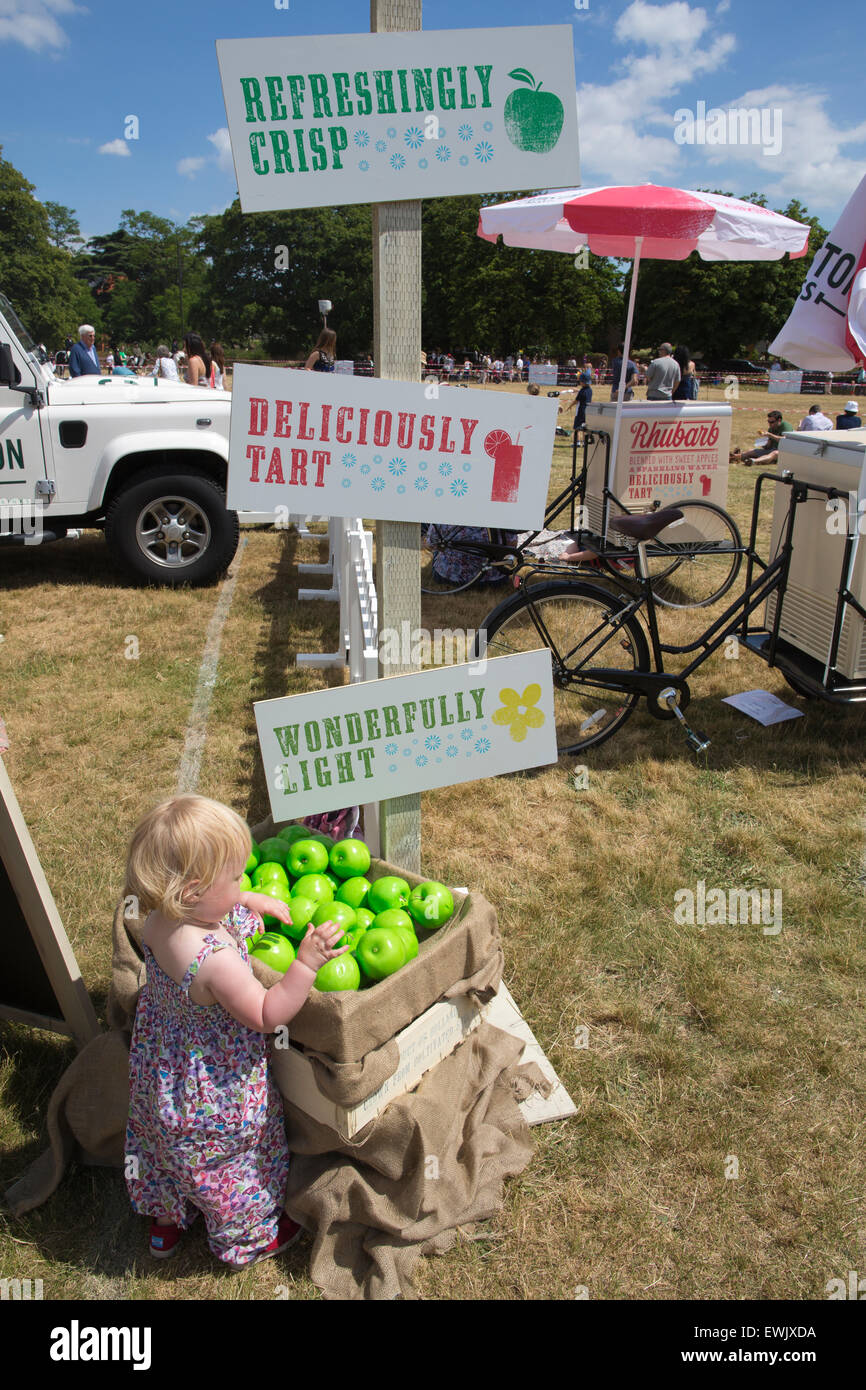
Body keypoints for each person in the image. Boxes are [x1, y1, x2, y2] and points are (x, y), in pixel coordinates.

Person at [123, 794, 350, 1266]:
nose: (241, 880)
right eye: (234, 876)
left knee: (166, 1151)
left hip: (163, 1074)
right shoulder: (219, 964)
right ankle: (248, 1236)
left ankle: (165, 1221)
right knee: (227, 1165)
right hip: (213, 1091)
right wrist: (305, 964)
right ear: (191, 891)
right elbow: (268, 1013)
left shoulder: (158, 921)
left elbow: (211, 914)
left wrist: (243, 898)